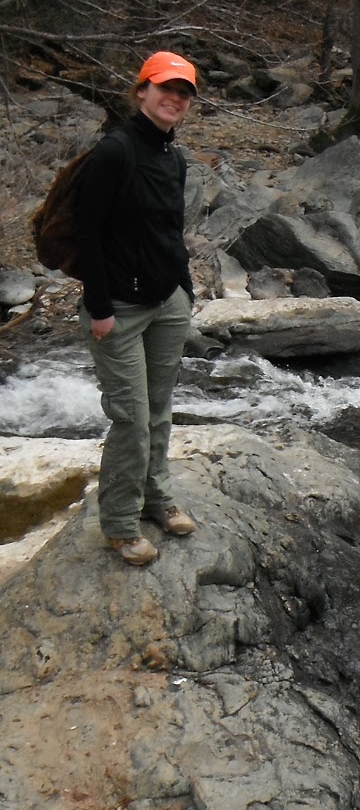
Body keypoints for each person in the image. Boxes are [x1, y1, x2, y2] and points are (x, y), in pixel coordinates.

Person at [76, 51, 199, 566]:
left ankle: (156, 495)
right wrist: (99, 307)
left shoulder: (174, 157)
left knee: (159, 407)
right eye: (166, 87)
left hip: (167, 300)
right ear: (142, 90)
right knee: (130, 417)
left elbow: (169, 231)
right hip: (119, 309)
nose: (175, 98)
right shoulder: (114, 151)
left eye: (185, 92)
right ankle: (121, 524)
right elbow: (87, 233)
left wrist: (185, 289)